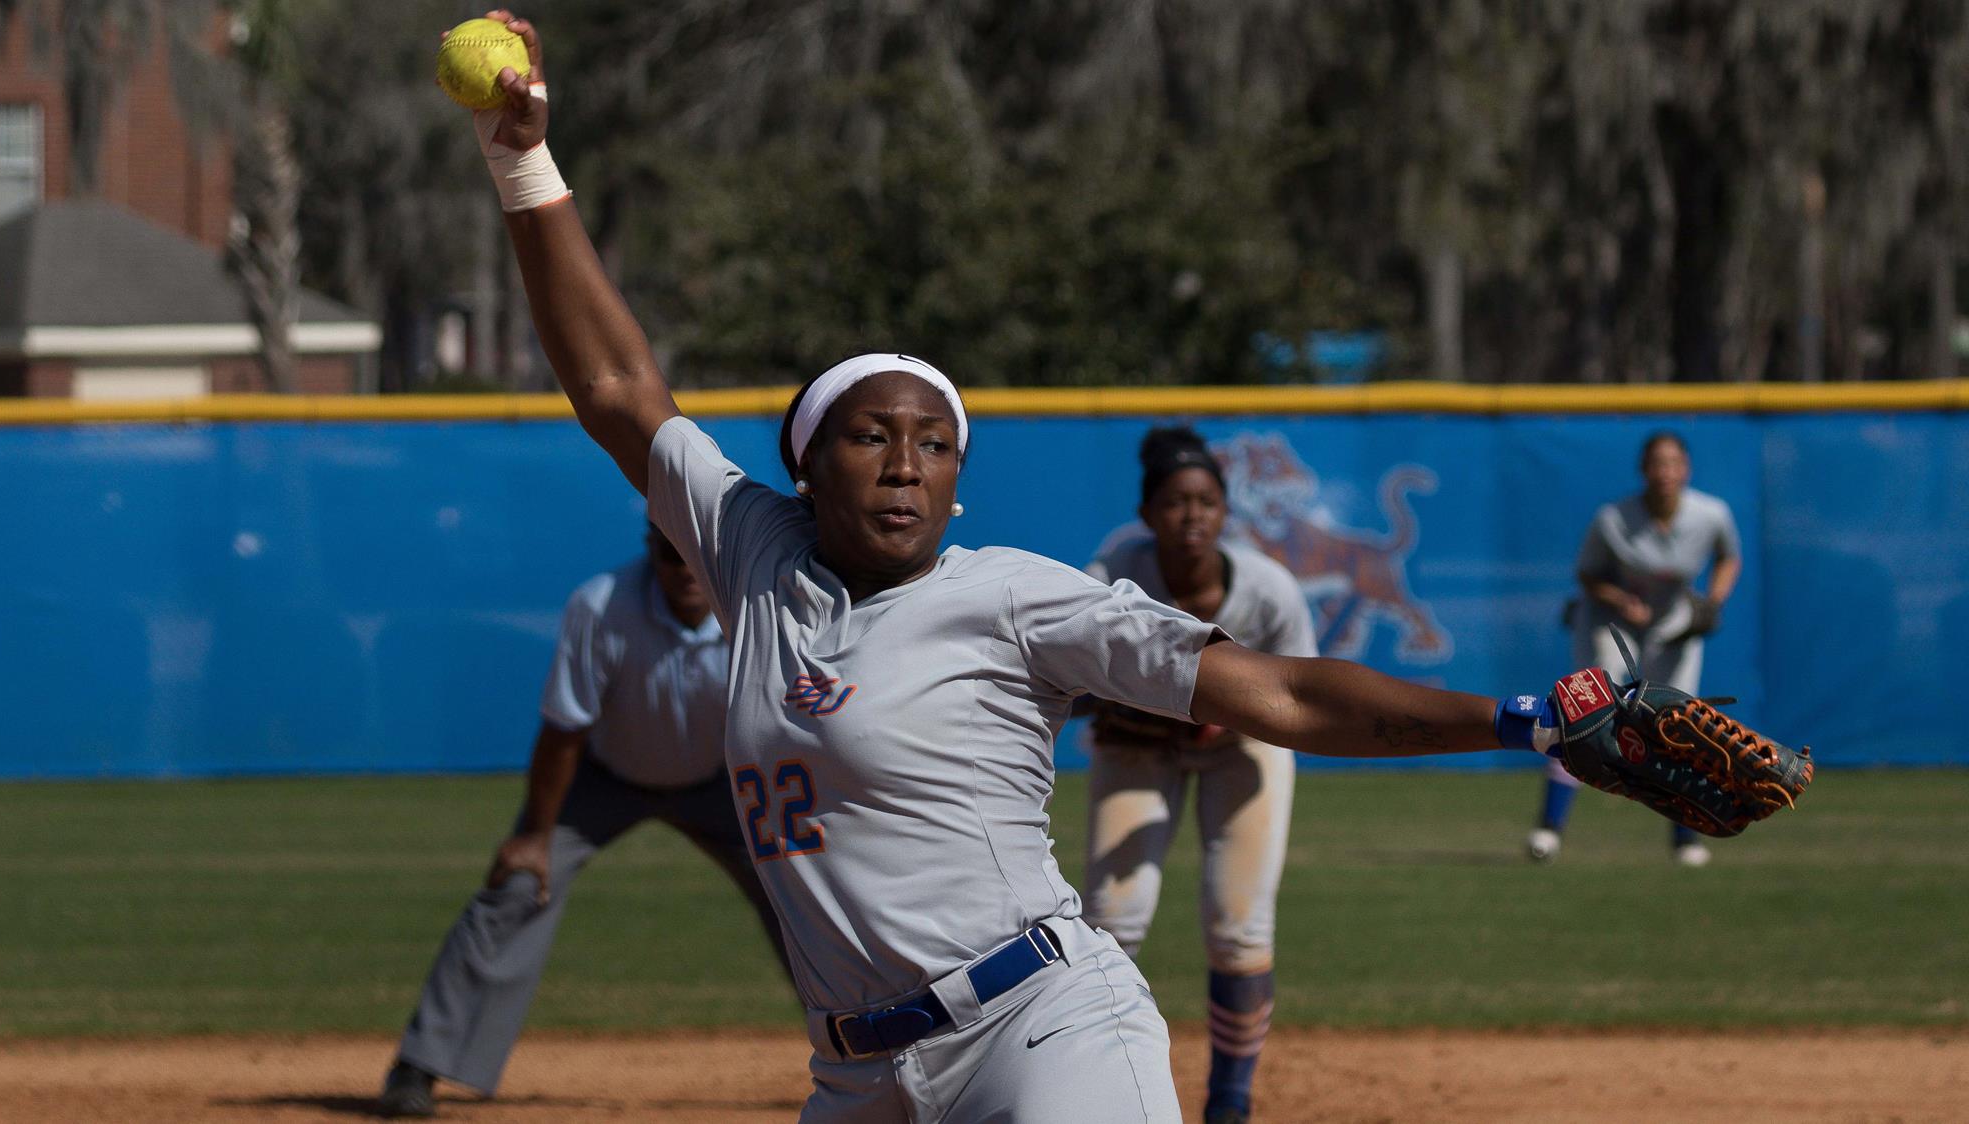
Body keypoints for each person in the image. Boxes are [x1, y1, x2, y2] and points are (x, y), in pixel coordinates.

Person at [463, 14, 1585, 1121]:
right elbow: (614, 386)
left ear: (957, 480)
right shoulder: (751, 547)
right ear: (805, 465)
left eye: (934, 443)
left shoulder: (1010, 595)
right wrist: (521, 159)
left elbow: (1284, 689)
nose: (905, 463)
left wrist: (1523, 719)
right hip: (854, 1076)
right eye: (869, 435)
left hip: (1039, 1033)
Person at [378, 524, 788, 1118]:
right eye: (670, 555)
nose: (683, 570)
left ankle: (869, 1054)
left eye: (694, 557)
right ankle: (418, 1067)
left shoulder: (755, 608)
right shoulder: (602, 605)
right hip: (605, 777)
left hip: (719, 782)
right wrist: (535, 836)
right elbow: (564, 729)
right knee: (519, 883)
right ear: (650, 551)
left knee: (806, 895)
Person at [1081, 426, 1317, 1124]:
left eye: (1207, 502)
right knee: (1110, 923)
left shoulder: (1267, 590)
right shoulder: (1112, 581)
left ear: (1226, 513)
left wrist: (1228, 716)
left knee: (1239, 926)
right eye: (1177, 502)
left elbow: (1300, 697)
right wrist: (1135, 705)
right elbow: (1069, 685)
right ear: (1148, 514)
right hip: (1139, 749)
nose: (1193, 516)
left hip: (1242, 748)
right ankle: (1101, 1093)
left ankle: (1229, 1104)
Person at [1526, 431, 1742, 868]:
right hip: (1611, 620)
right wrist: (1621, 599)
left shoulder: (1710, 513)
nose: (1665, 472)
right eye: (1656, 464)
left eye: (1673, 463)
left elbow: (1729, 556)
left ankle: (1686, 839)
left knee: (1679, 723)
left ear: (1686, 470)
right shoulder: (1614, 519)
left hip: (1670, 621)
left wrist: (1715, 601)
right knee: (1589, 719)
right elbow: (1587, 575)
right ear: (1644, 471)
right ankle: (1549, 828)